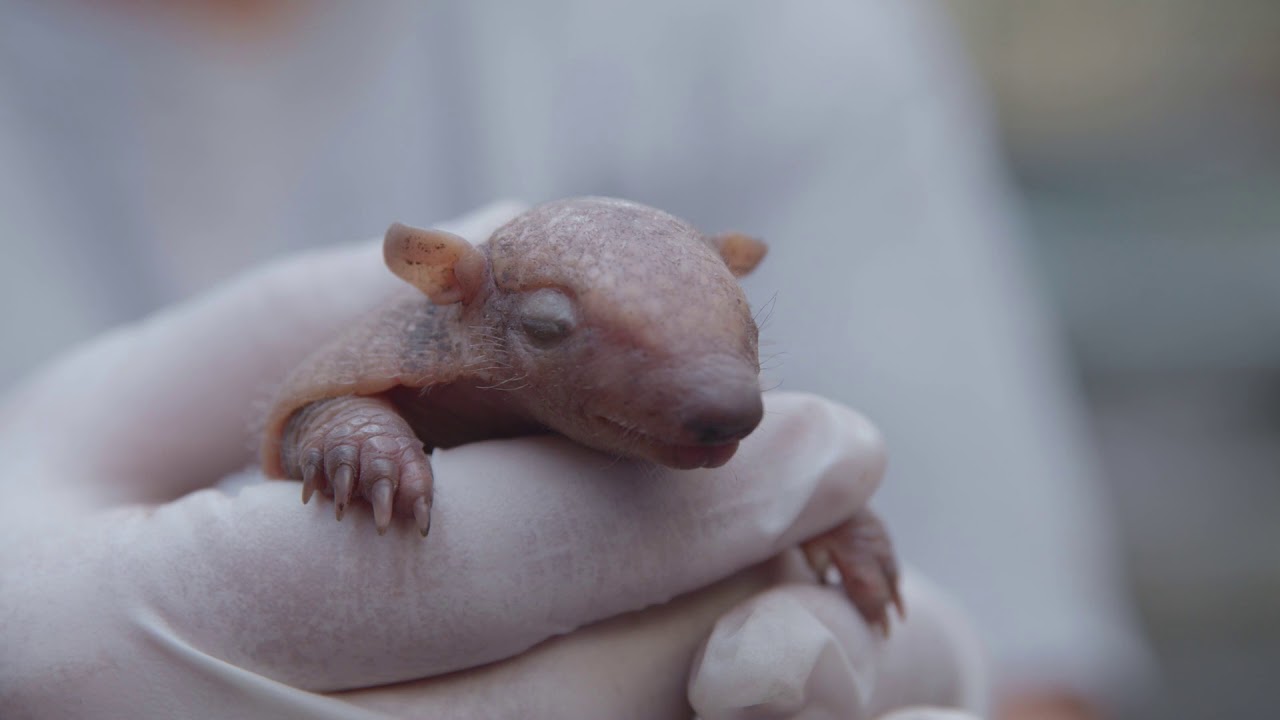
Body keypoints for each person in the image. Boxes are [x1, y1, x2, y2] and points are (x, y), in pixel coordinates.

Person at [0, 0, 1149, 716]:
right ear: (437, 281)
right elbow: (315, 418)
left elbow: (1018, 660)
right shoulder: (429, 338)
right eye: (550, 329)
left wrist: (834, 526)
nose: (721, 408)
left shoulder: (749, 33)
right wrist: (354, 435)